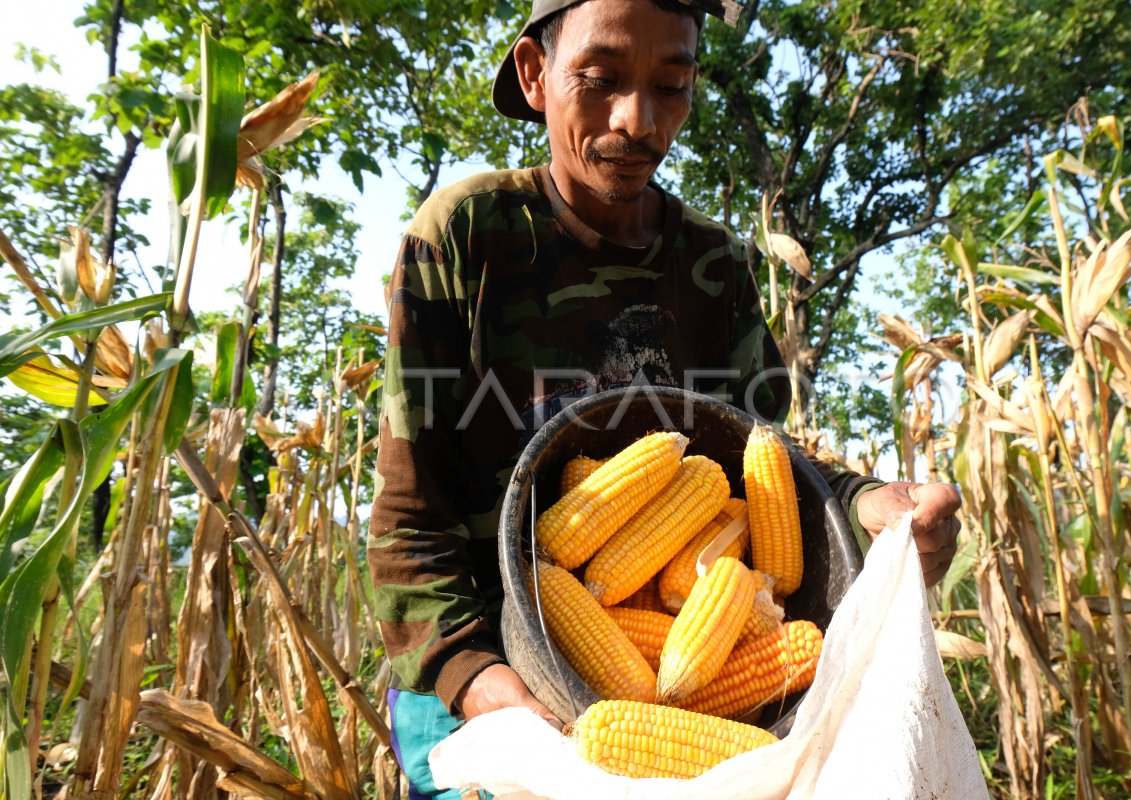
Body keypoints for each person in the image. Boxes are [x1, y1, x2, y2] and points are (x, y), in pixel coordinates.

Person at [367, 1, 962, 797]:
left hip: (672, 722)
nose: (637, 121)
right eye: (600, 79)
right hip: (484, 679)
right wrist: (476, 679)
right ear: (535, 74)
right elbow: (409, 521)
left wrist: (863, 511)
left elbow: (764, 471)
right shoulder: (468, 238)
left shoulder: (714, 268)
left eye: (671, 85)